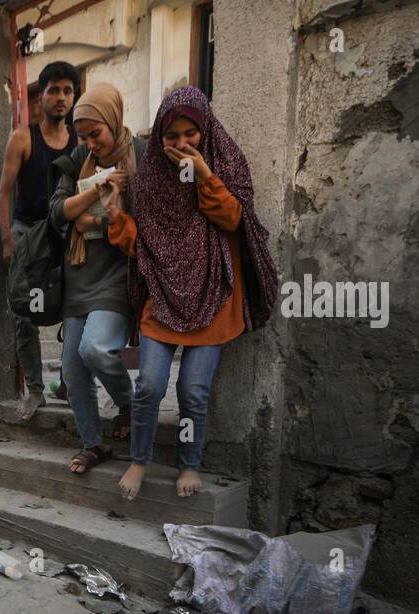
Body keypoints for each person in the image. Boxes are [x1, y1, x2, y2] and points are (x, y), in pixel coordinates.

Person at [107, 86, 278, 498]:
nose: (181, 144)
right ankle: (139, 460)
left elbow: (237, 220)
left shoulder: (227, 161)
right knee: (149, 384)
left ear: (205, 128)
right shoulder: (149, 180)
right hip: (162, 296)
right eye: (171, 136)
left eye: (190, 134)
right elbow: (143, 245)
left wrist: (203, 175)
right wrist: (116, 217)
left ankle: (189, 465)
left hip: (214, 295)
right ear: (160, 135)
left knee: (192, 391)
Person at [47, 84, 136, 475]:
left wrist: (98, 220)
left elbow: (149, 222)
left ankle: (129, 403)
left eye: (94, 133)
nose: (88, 142)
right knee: (72, 368)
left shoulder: (141, 158)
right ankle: (93, 442)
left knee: (95, 349)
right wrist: (94, 193)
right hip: (78, 277)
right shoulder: (78, 158)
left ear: (113, 122)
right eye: (82, 135)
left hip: (117, 275)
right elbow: (57, 212)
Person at [0, 61, 80, 420]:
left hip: (66, 232)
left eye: (67, 91)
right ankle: (34, 389)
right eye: (53, 90)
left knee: (73, 307)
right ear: (41, 96)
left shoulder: (79, 139)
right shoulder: (23, 138)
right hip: (28, 235)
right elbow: (3, 193)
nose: (60, 98)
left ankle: (68, 382)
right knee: (25, 313)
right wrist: (7, 239)